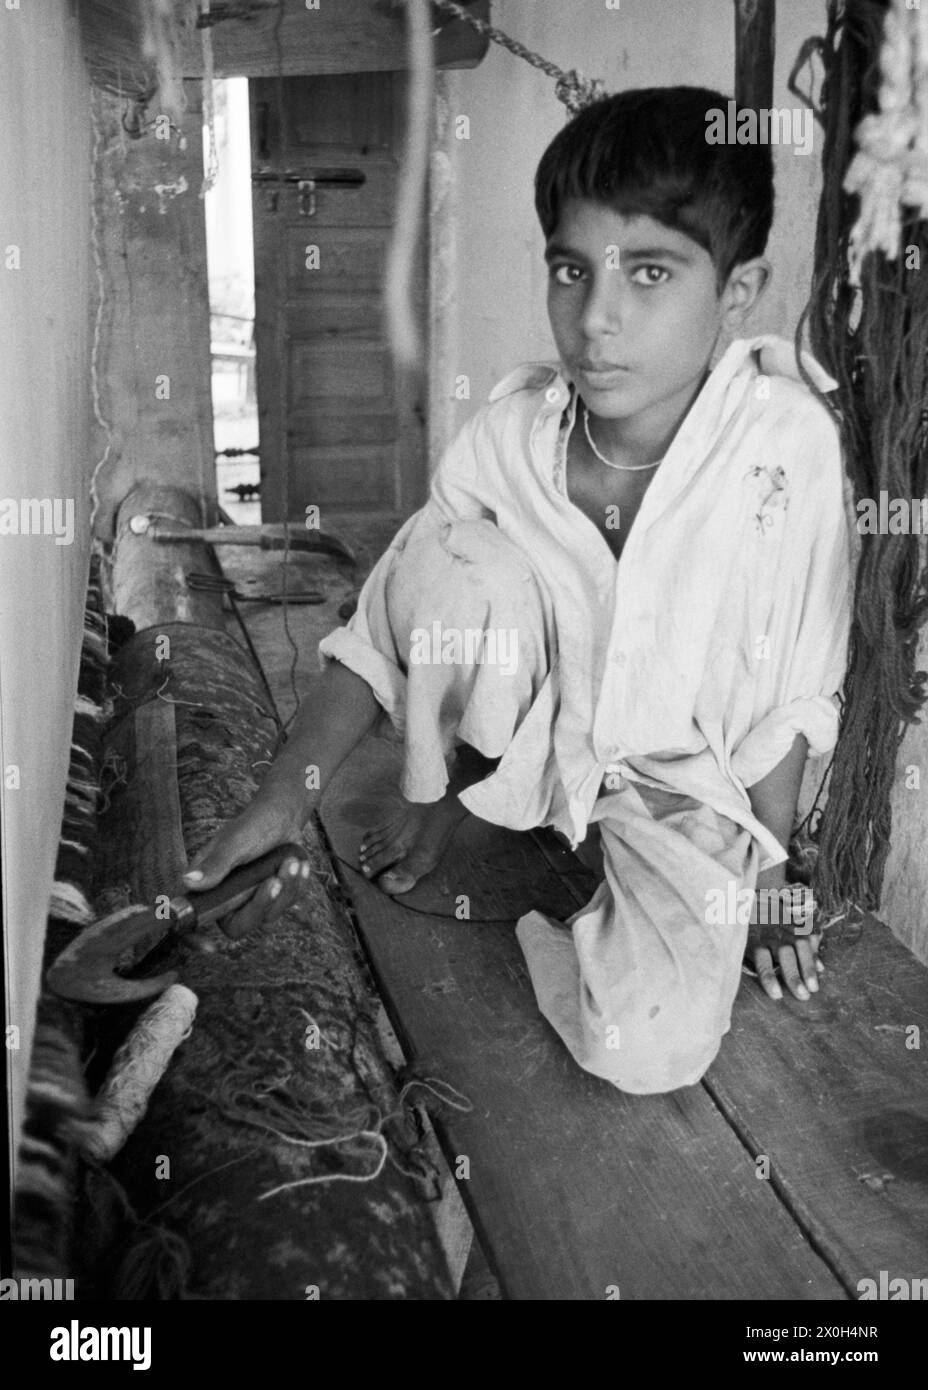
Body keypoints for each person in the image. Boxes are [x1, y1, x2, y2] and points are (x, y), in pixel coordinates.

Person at [183, 87, 853, 1094]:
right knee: (452, 563)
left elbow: (796, 687)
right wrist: (285, 796)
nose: (598, 320)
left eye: (651, 273)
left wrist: (765, 873)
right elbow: (387, 624)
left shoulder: (784, 448)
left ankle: (580, 880)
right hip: (548, 722)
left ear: (740, 289)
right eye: (571, 271)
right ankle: (471, 797)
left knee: (647, 1050)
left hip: (686, 779)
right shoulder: (516, 437)